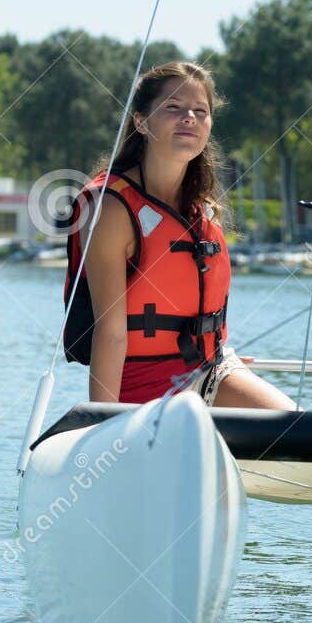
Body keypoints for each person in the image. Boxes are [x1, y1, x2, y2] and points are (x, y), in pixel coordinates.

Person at [62, 61, 295, 410]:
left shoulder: (202, 209)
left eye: (200, 111)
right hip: (139, 392)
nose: (189, 117)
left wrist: (215, 353)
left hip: (208, 373)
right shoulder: (111, 208)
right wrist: (102, 424)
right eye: (173, 107)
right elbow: (110, 332)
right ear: (141, 121)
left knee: (296, 429)